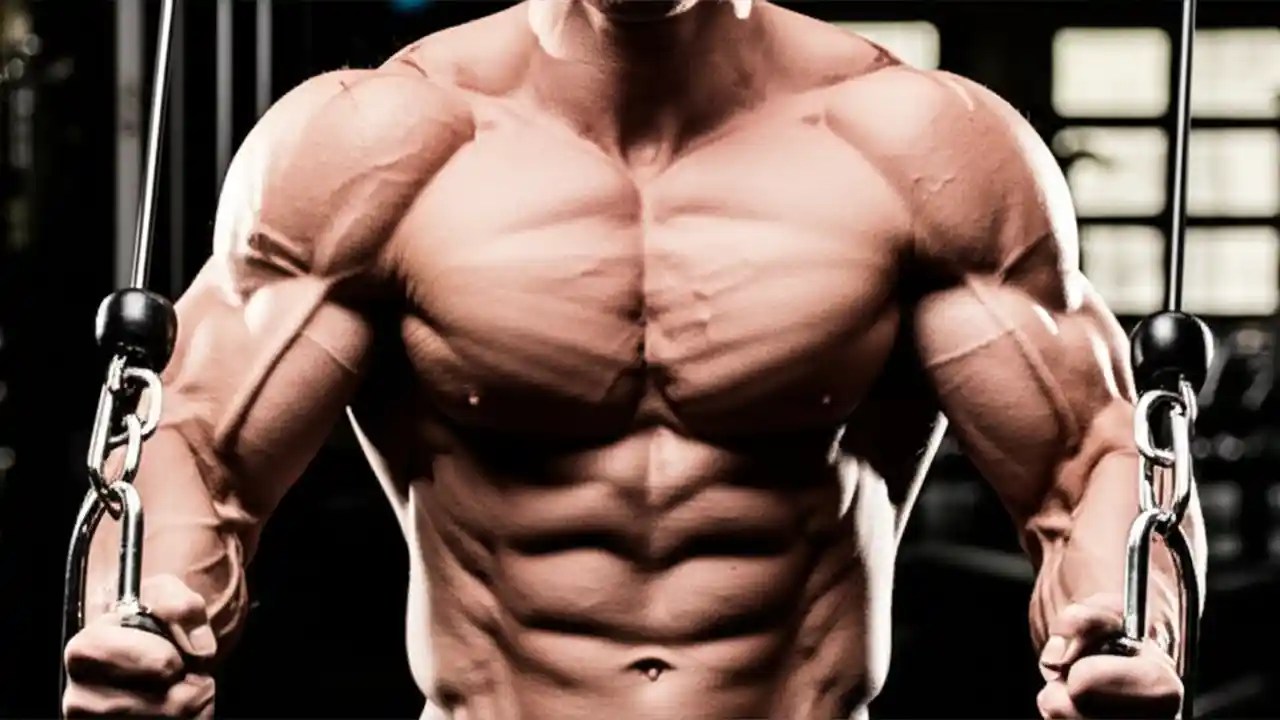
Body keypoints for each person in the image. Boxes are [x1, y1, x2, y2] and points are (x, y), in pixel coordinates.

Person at [61, 1, 1204, 718]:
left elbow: (1095, 456)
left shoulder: (914, 145)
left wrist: (1126, 631)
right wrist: (142, 624)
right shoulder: (380, 142)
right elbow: (195, 444)